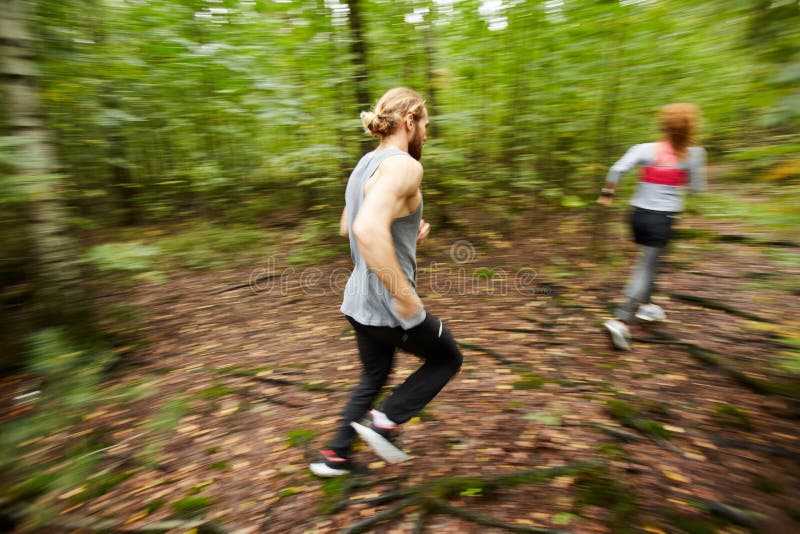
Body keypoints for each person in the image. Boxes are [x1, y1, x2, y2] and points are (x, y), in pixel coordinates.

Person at [310, 87, 463, 477]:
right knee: (447, 358)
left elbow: (346, 226)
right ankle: (386, 421)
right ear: (410, 121)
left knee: (374, 375)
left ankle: (335, 455)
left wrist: (407, 229)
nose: (426, 133)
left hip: (357, 303)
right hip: (387, 306)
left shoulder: (366, 162)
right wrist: (404, 296)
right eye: (425, 124)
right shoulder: (405, 166)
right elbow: (364, 228)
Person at [598, 103, 707, 350]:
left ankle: (647, 306)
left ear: (663, 126)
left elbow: (616, 169)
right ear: (691, 129)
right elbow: (697, 190)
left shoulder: (644, 149)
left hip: (637, 215)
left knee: (650, 261)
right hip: (662, 218)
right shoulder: (694, 154)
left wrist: (607, 195)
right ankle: (620, 319)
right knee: (646, 265)